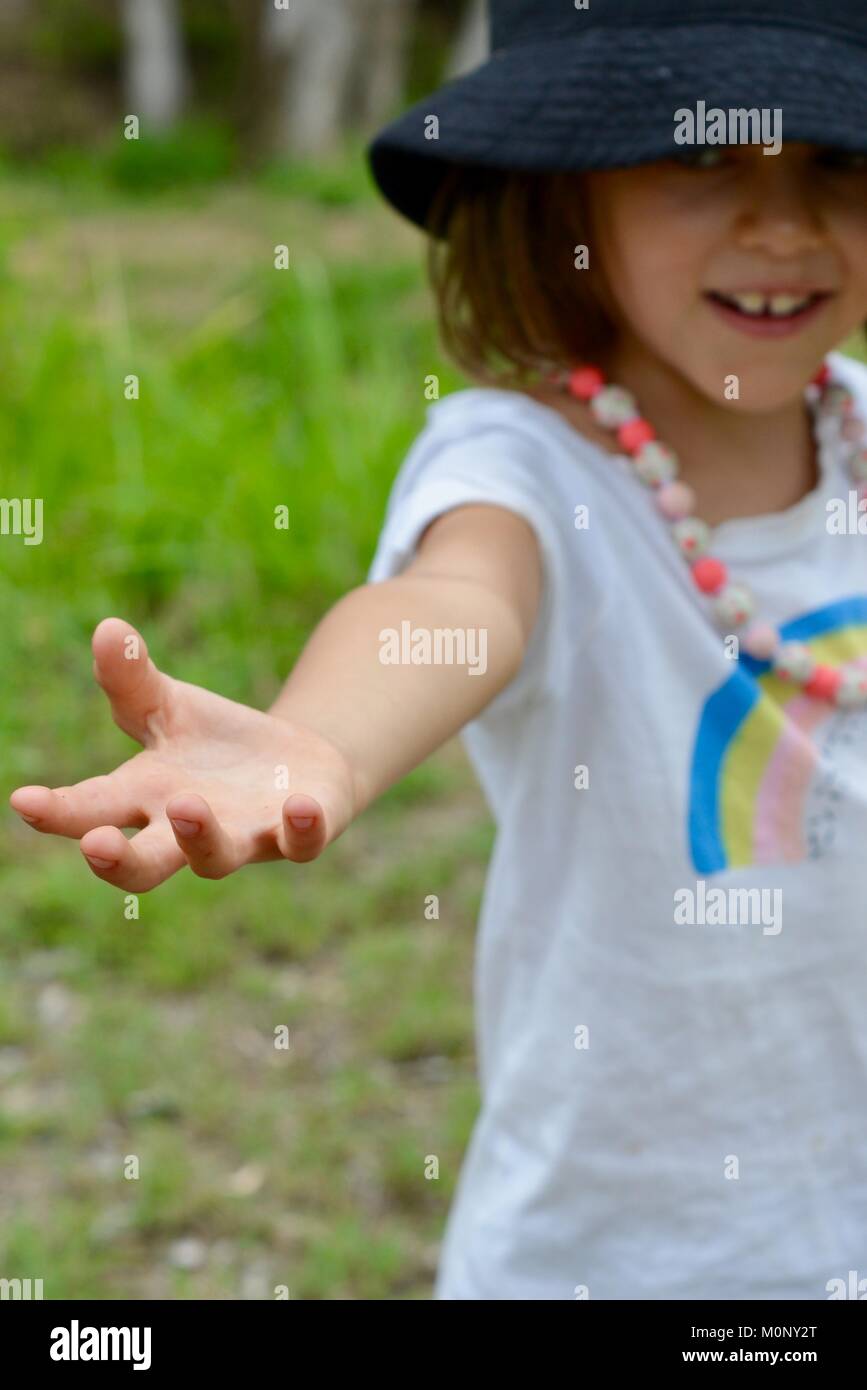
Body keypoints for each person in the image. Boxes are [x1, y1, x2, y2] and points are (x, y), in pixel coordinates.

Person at [11, 0, 867, 1298]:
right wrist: (320, 739)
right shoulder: (523, 465)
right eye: (702, 159)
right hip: (618, 1259)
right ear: (564, 192)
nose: (786, 224)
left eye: (838, 161)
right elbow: (457, 601)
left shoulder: (860, 429)